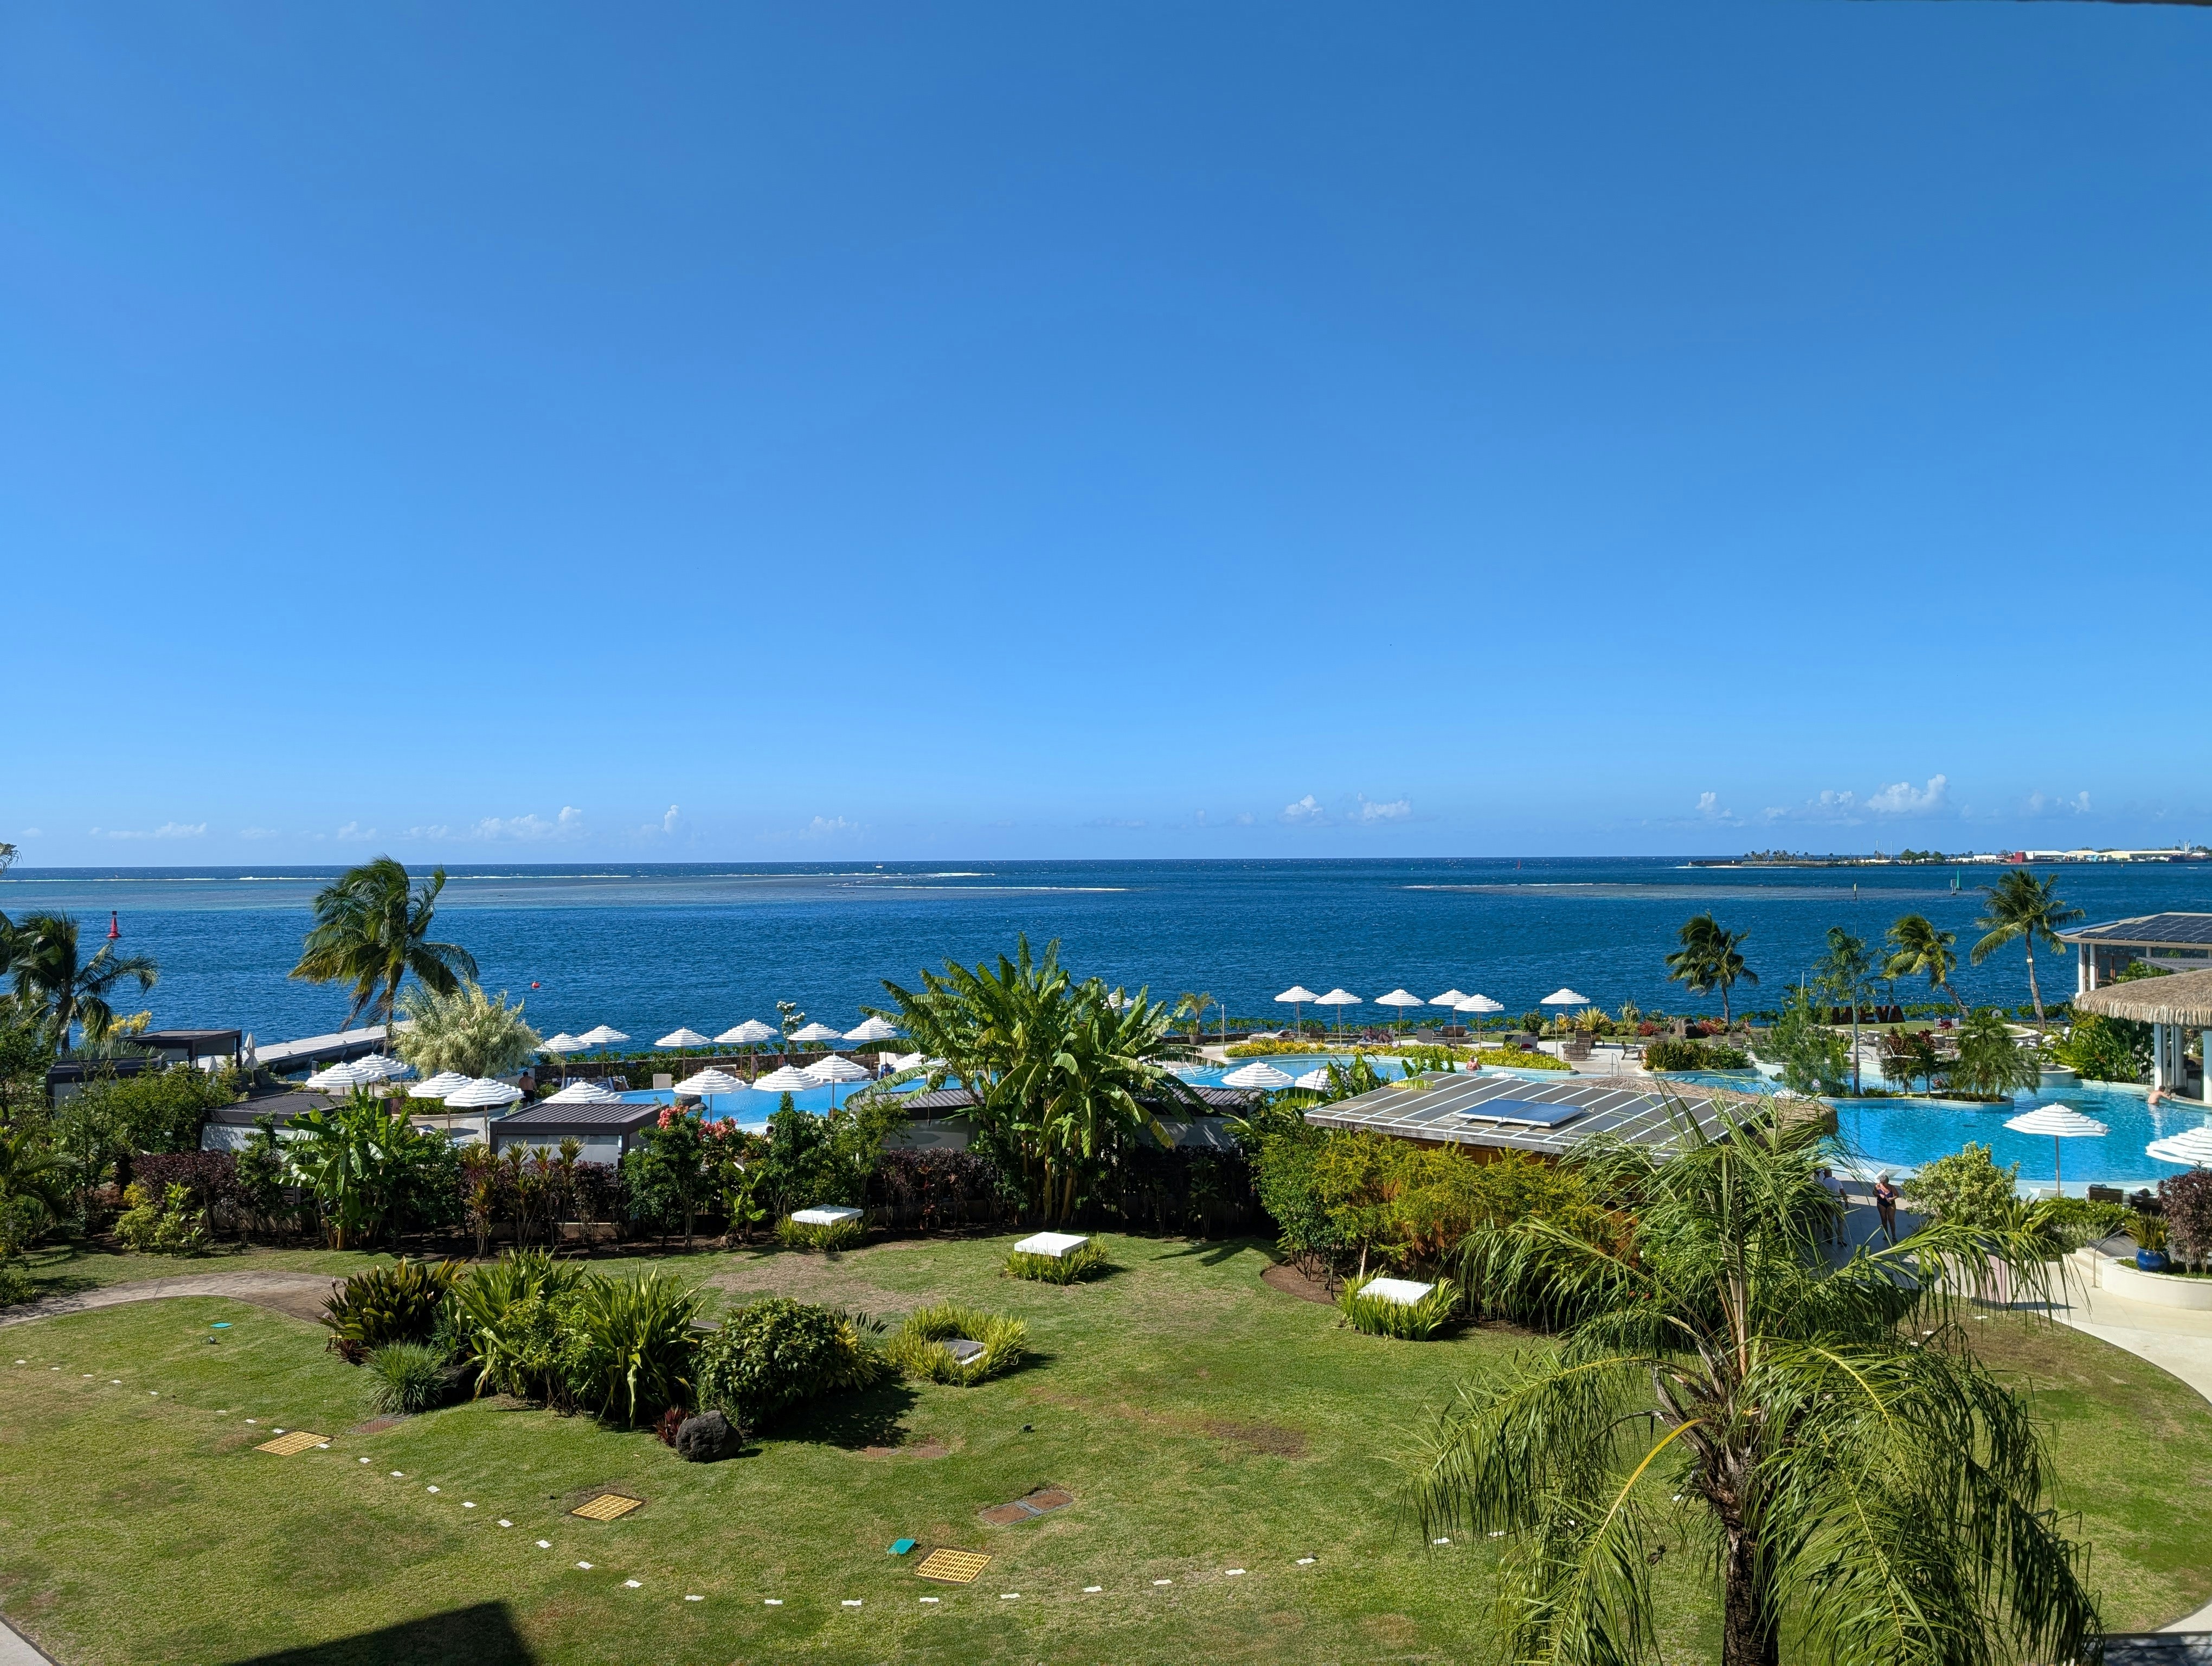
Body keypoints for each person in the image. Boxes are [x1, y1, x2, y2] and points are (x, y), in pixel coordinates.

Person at [1873, 1172, 1900, 1244]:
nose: (1881, 1183)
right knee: (1884, 1219)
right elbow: (1874, 1193)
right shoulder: (1878, 1186)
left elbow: (1897, 1195)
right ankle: (1886, 1235)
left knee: (1891, 1219)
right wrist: (1879, 1194)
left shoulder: (1891, 1187)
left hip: (1891, 1204)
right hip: (1881, 1203)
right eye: (1881, 1182)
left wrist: (1892, 1199)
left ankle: (1894, 1236)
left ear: (1887, 1182)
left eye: (1883, 1182)